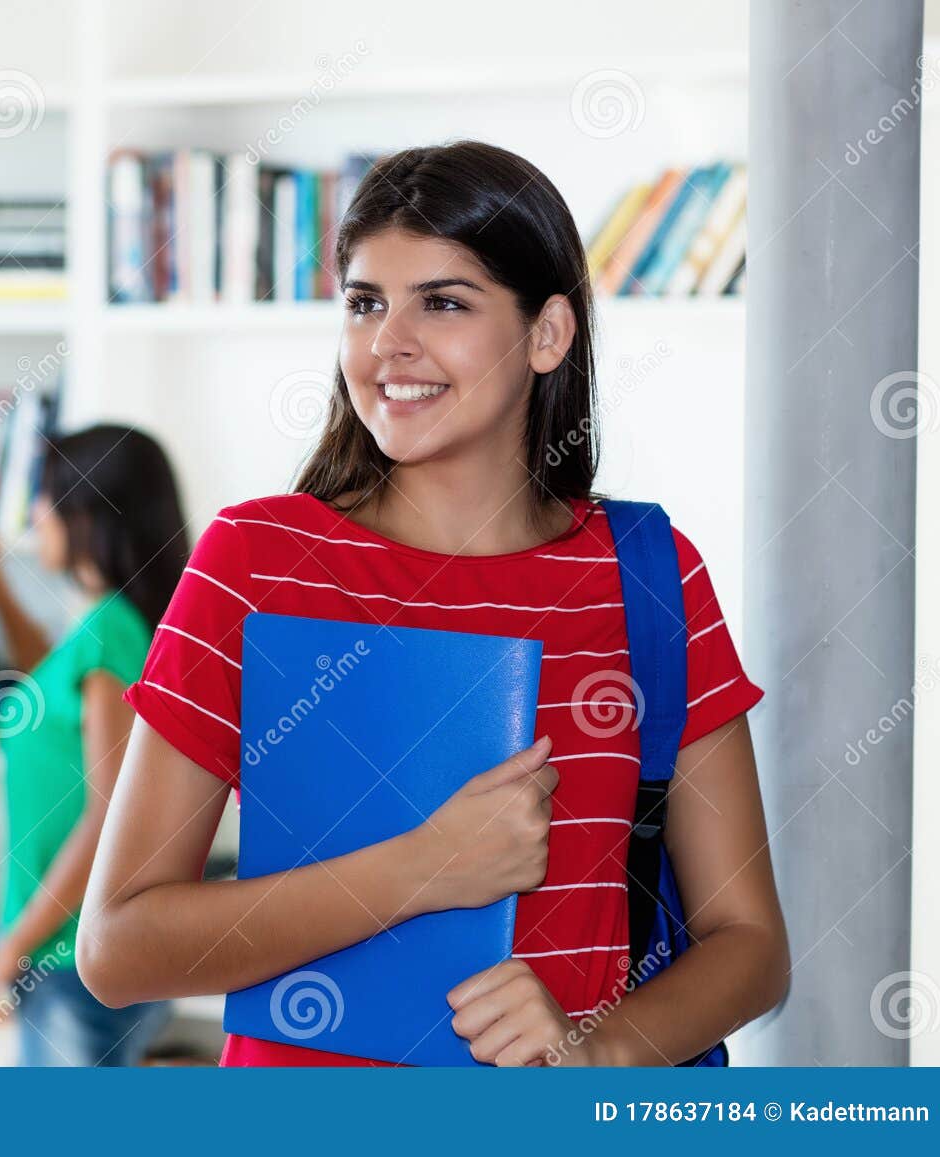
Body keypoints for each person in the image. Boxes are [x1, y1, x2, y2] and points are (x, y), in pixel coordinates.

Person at [78, 141, 790, 1067]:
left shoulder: (648, 574)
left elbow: (752, 943)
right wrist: (426, 868)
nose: (388, 343)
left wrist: (595, 1051)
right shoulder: (256, 563)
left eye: (444, 302)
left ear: (548, 335)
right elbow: (117, 948)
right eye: (366, 302)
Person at [0, 425, 185, 1066]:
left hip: (68, 962)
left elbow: (107, 815)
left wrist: (12, 950)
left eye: (46, 496)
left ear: (86, 515)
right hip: (69, 957)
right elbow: (41, 696)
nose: (34, 514)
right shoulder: (104, 629)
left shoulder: (110, 630)